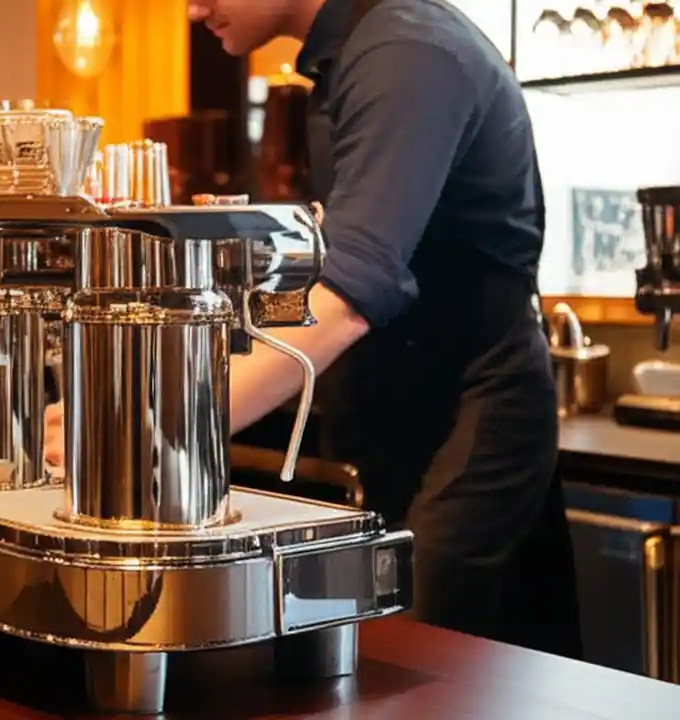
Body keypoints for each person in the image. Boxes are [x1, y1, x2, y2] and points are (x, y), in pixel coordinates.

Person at [46, 0, 581, 657]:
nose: (192, 10)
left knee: (419, 665)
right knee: (361, 667)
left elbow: (352, 292)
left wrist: (151, 427)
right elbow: (319, 282)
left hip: (468, 418)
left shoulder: (406, 51)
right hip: (397, 411)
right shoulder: (351, 57)